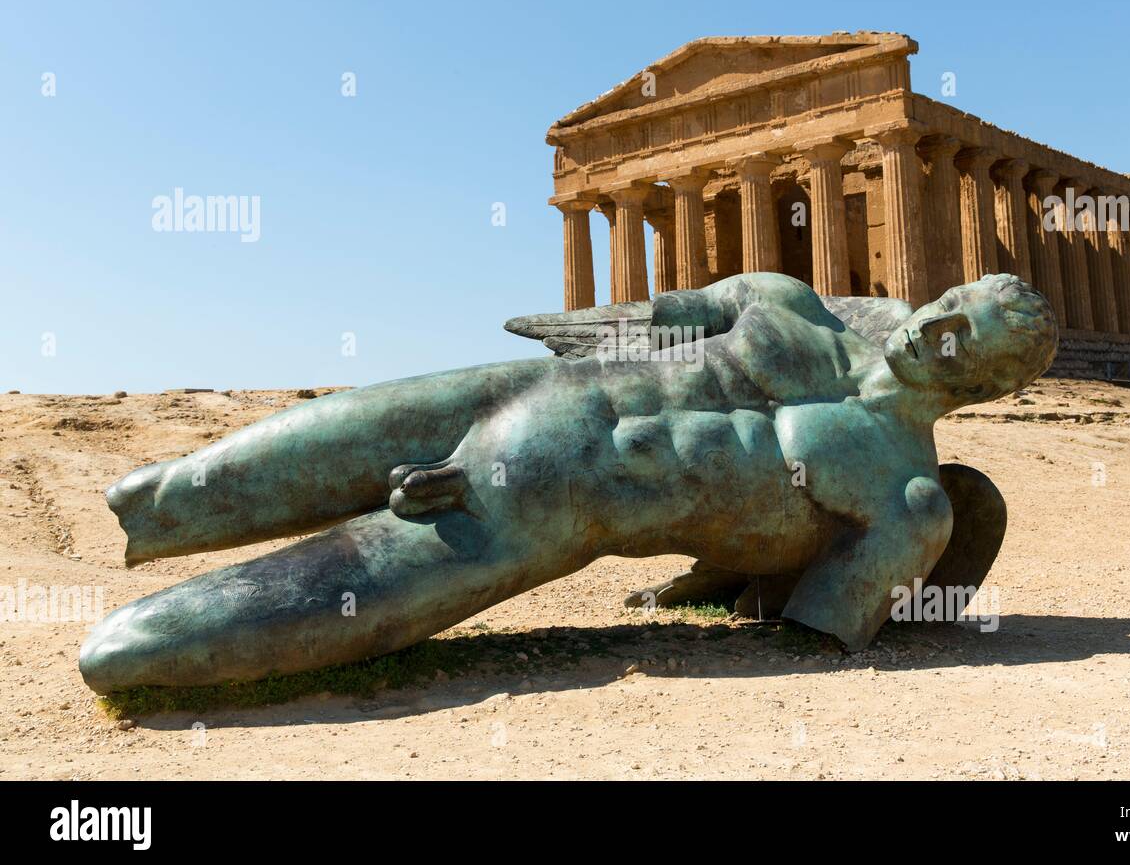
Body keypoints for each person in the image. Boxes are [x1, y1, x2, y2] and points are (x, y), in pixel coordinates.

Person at [80, 272, 1056, 693]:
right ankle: (157, 514)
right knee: (178, 487)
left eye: (969, 338)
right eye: (953, 301)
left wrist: (744, 576)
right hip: (513, 391)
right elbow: (652, 318)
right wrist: (593, 325)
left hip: (547, 505)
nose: (938, 326)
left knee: (135, 650)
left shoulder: (908, 498)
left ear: (992, 386)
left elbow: (812, 625)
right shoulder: (796, 305)